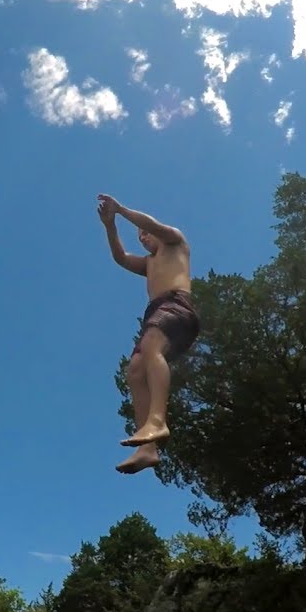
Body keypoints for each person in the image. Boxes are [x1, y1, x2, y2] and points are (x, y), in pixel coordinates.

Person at [96, 193, 201, 475]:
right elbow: (119, 257)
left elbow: (153, 225)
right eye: (140, 236)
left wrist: (121, 210)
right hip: (156, 313)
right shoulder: (148, 263)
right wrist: (110, 225)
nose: (142, 238)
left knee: (151, 345)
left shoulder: (174, 241)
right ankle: (147, 448)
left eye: (145, 234)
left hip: (177, 304)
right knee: (135, 369)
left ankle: (157, 419)